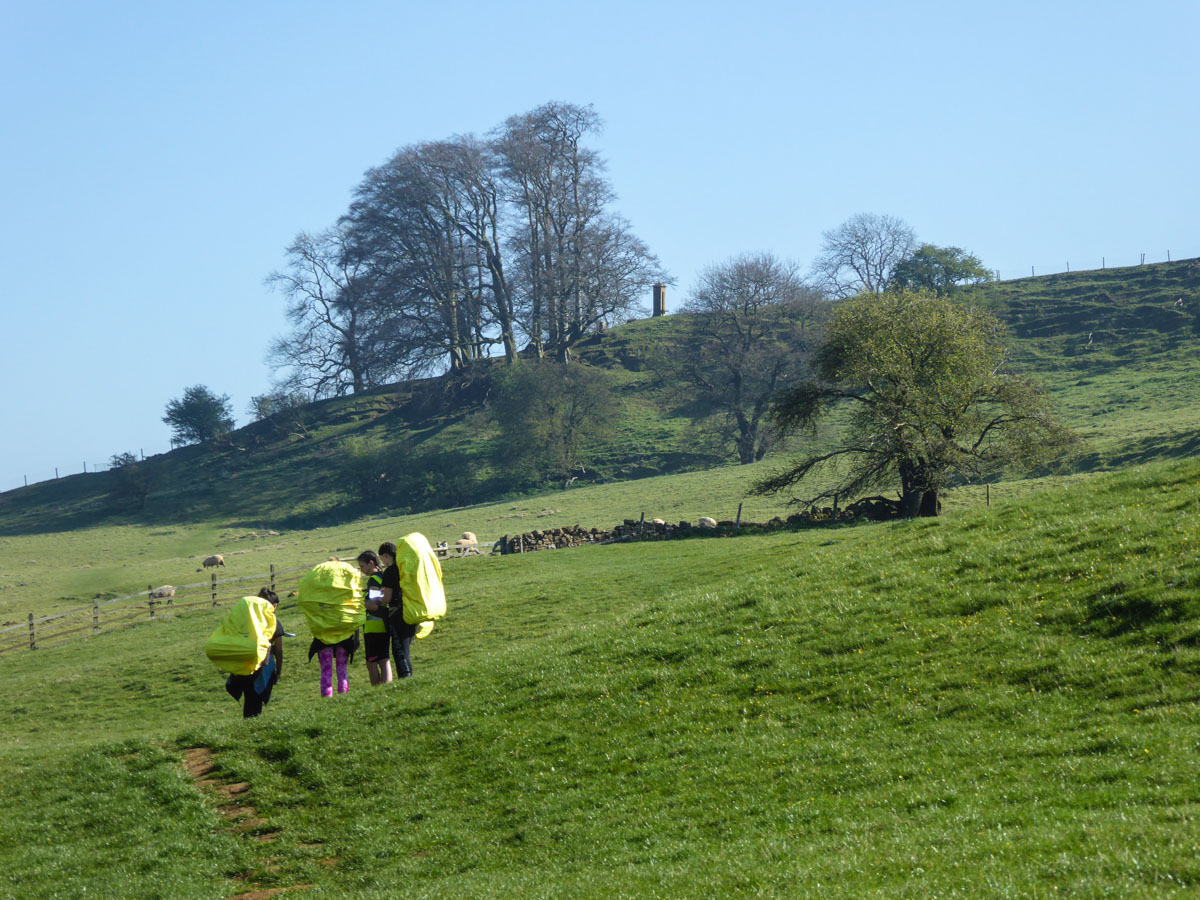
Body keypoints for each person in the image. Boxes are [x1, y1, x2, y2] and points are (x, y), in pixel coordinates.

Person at [223, 588, 284, 719]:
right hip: (263, 666)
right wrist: (278, 672)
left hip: (243, 664)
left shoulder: (245, 620)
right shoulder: (273, 622)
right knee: (256, 697)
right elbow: (278, 650)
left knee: (248, 695)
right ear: (272, 605)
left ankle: (249, 722)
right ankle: (252, 724)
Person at [378, 541, 416, 679]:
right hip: (411, 610)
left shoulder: (390, 571)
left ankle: (406, 678)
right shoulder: (404, 567)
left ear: (386, 555)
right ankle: (408, 676)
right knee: (406, 647)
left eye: (382, 558)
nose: (382, 561)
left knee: (400, 650)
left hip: (397, 614)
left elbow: (387, 598)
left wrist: (375, 596)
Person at [357, 550, 393, 685]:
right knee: (384, 658)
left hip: (373, 624)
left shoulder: (373, 580)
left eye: (362, 567)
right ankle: (387, 686)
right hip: (385, 622)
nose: (362, 571)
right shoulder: (383, 576)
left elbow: (374, 604)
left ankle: (377, 688)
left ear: (371, 563)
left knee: (371, 661)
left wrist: (359, 603)